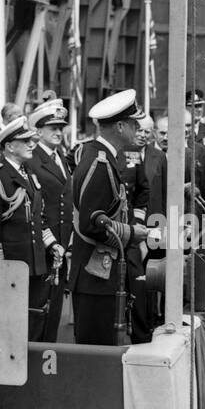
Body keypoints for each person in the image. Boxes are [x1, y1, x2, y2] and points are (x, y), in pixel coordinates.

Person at [68, 89, 151, 345]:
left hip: (100, 274)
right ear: (119, 126)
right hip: (94, 276)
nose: (138, 128)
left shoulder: (98, 156)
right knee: (95, 353)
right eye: (134, 123)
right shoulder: (100, 164)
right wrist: (131, 234)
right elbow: (92, 223)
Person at [0, 118, 63, 340]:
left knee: (35, 318)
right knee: (14, 324)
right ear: (9, 146)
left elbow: (38, 218)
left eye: (31, 140)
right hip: (13, 265)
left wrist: (52, 243)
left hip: (35, 261)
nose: (31, 144)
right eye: (24, 141)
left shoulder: (29, 174)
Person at [29, 99, 73, 341]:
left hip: (60, 247)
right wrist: (51, 241)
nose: (58, 132)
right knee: (40, 312)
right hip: (44, 247)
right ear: (38, 131)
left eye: (60, 127)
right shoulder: (33, 160)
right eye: (52, 128)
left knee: (54, 312)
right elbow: (37, 209)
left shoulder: (60, 158)